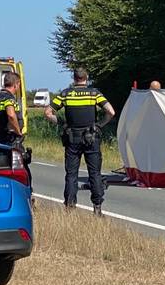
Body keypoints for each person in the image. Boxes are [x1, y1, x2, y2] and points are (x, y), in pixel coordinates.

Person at [46, 68, 115, 215]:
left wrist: (61, 123)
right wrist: (99, 125)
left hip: (72, 137)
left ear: (74, 78)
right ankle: (97, 208)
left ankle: (70, 207)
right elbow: (111, 111)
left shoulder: (65, 94)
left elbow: (48, 112)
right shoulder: (94, 93)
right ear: (86, 78)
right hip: (91, 137)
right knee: (94, 173)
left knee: (71, 174)